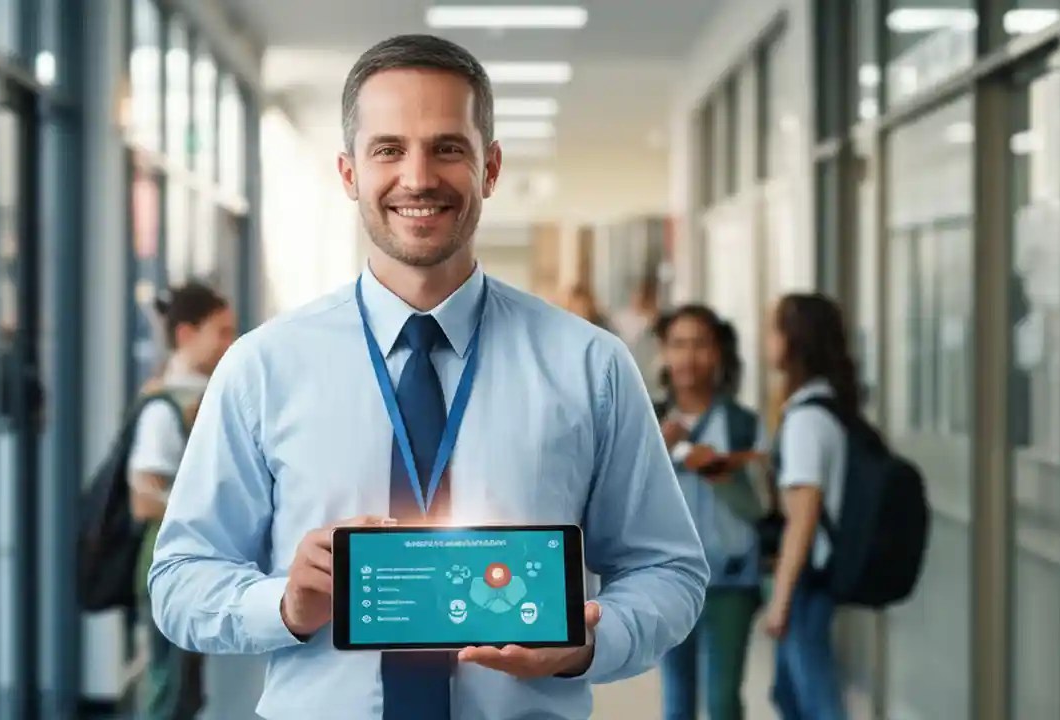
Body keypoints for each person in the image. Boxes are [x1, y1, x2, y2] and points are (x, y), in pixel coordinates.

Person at [146, 34, 708, 720]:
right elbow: (179, 582)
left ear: (490, 168)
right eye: (389, 149)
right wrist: (285, 604)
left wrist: (585, 643)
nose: (418, 178)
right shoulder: (265, 368)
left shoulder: (588, 365)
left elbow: (670, 572)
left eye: (448, 148)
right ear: (350, 173)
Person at [129, 282, 237, 720]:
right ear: (187, 335)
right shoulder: (165, 408)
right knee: (171, 696)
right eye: (222, 331)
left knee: (187, 696)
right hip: (167, 569)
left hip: (196, 569)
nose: (231, 341)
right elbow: (142, 500)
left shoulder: (205, 398)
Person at [655, 306, 768, 720]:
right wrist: (658, 451)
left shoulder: (742, 424)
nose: (688, 357)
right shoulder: (646, 419)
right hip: (667, 580)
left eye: (700, 344)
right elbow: (617, 496)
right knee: (677, 701)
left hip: (731, 578)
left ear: (718, 353)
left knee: (722, 702)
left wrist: (722, 470)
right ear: (664, 354)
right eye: (678, 345)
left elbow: (761, 507)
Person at [762, 293, 854, 720]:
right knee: (791, 695)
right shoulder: (828, 406)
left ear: (794, 342)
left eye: (774, 330)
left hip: (803, 582)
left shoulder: (806, 421)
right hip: (810, 579)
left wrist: (780, 600)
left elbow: (803, 517)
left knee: (816, 700)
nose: (767, 340)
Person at [610, 277, 662, 398]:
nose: (638, 298)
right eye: (636, 295)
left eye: (643, 295)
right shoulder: (619, 318)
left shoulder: (652, 320)